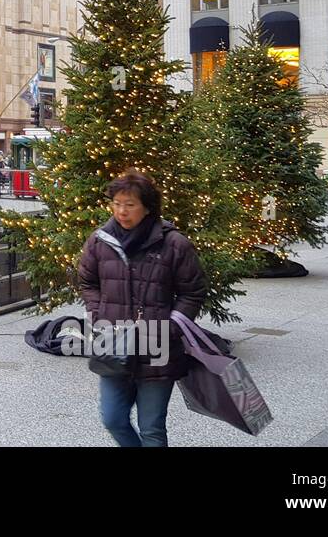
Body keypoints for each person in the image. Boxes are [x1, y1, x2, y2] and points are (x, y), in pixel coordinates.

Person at [78, 170, 208, 448]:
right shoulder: (100, 240)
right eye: (116, 203)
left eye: (130, 204)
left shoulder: (174, 243)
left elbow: (192, 291)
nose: (121, 211)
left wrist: (171, 326)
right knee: (113, 418)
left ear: (147, 207)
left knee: (152, 428)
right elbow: (87, 281)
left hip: (158, 345)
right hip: (113, 341)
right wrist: (98, 312)